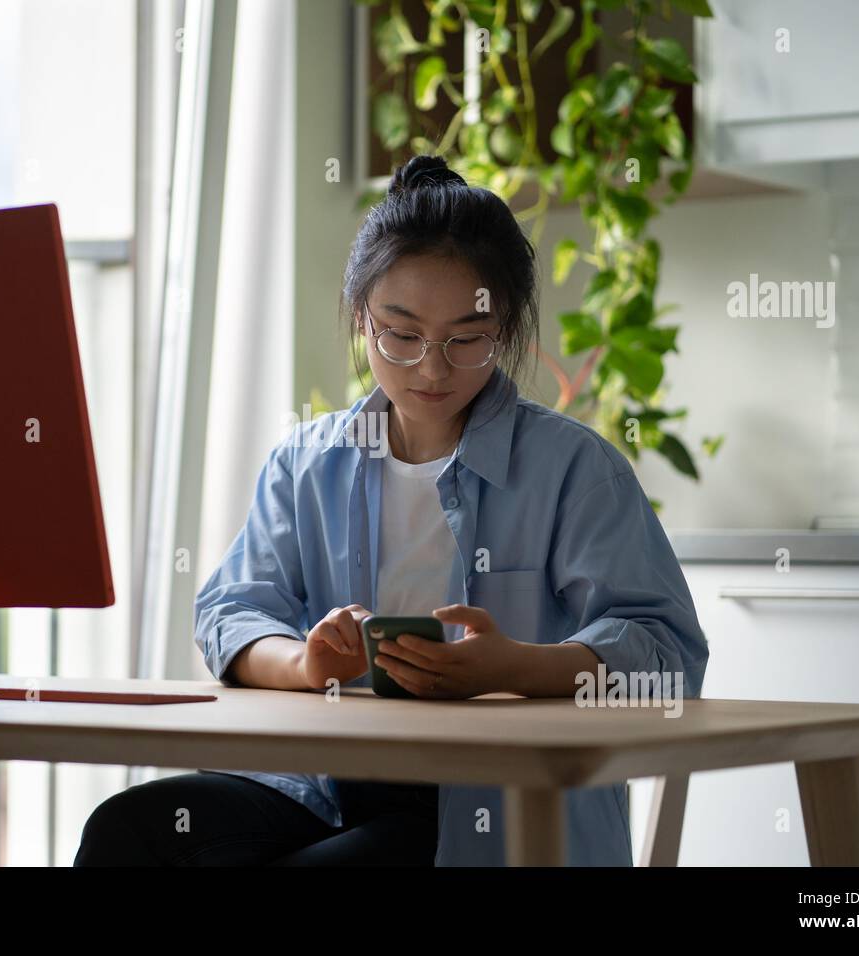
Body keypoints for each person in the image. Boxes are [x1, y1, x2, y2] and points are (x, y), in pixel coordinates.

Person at [74, 154, 708, 867]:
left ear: (505, 328)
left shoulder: (575, 470)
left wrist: (513, 668)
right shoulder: (308, 463)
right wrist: (304, 664)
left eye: (467, 337)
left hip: (479, 803)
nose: (431, 368)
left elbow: (668, 656)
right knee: (127, 834)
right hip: (319, 782)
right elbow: (229, 612)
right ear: (360, 316)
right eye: (400, 334)